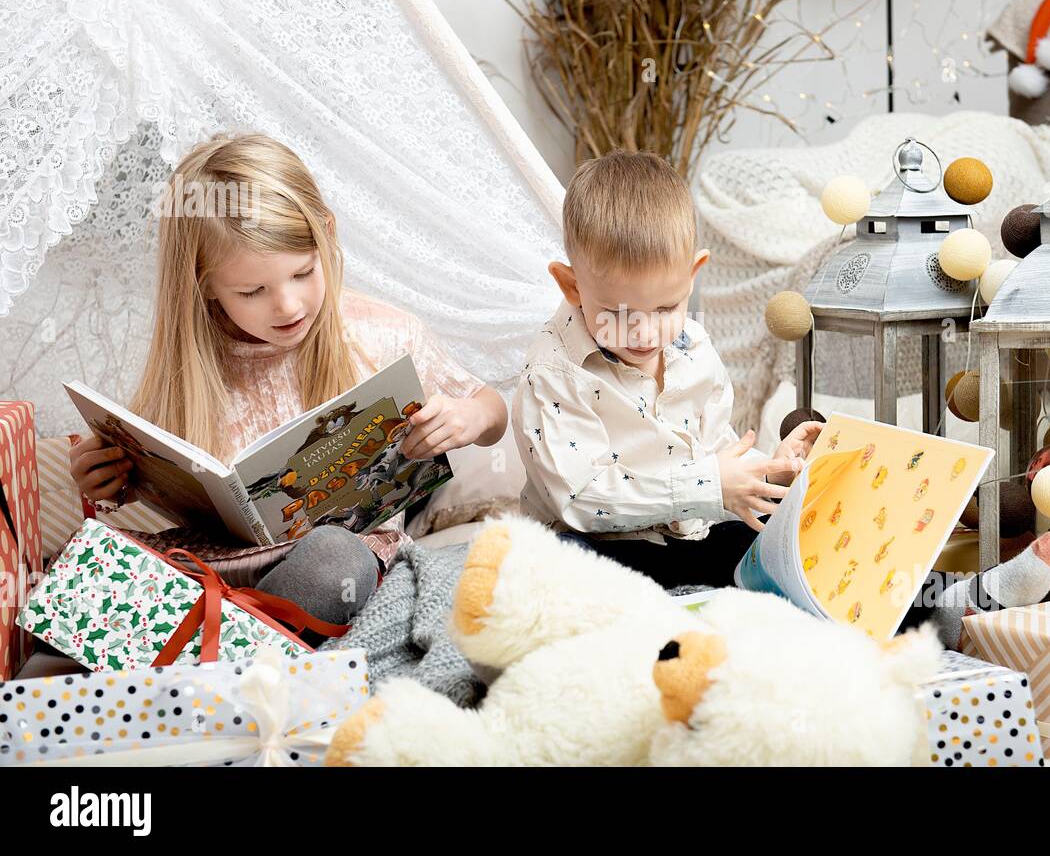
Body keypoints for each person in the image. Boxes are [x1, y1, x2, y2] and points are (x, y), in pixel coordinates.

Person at [69, 134, 507, 624]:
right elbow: (161, 482)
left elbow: (492, 410)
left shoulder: (379, 333)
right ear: (205, 286)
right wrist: (109, 481)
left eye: (303, 272)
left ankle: (228, 653)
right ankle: (233, 646)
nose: (289, 305)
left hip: (339, 566)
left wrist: (470, 417)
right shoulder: (190, 368)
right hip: (217, 569)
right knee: (85, 577)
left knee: (332, 560)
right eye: (252, 291)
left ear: (326, 234)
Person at [513, 150, 821, 588]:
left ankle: (928, 609)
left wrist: (769, 470)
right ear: (572, 285)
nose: (644, 332)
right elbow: (581, 500)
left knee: (791, 541)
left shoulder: (694, 348)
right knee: (550, 565)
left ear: (693, 274)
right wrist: (709, 487)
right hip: (599, 549)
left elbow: (715, 452)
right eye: (619, 312)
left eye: (665, 307)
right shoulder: (553, 373)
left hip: (691, 537)